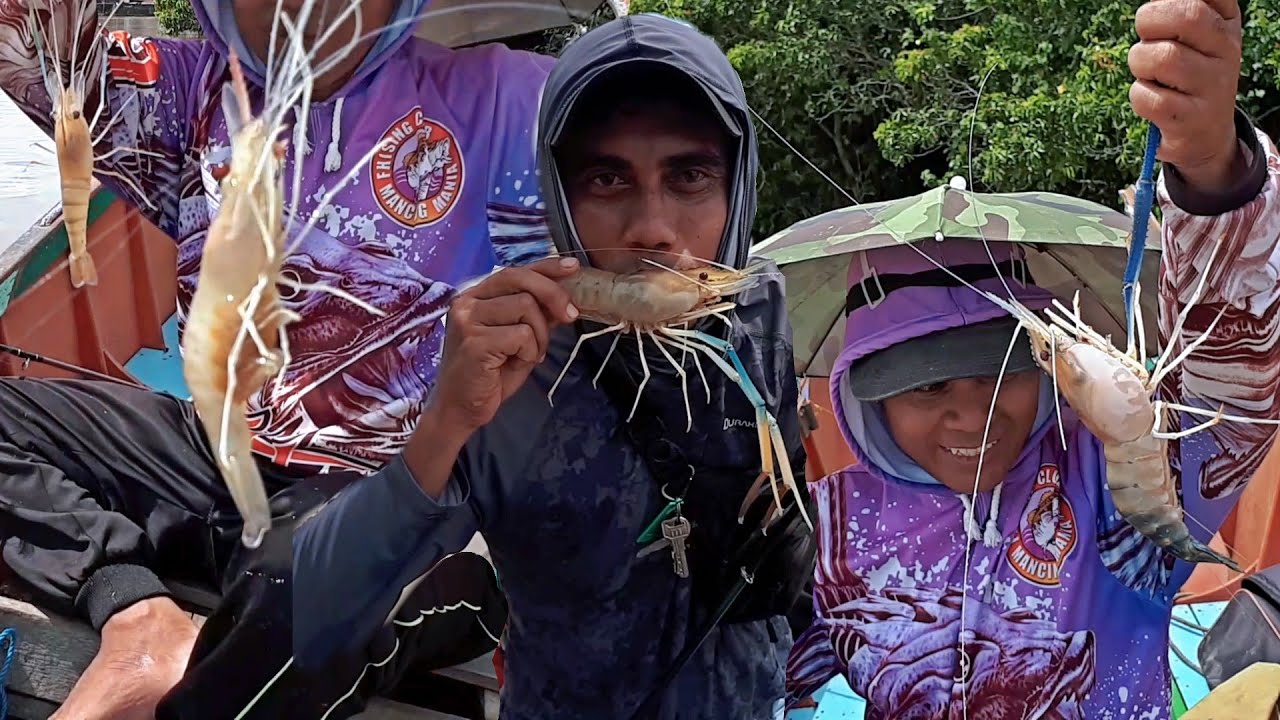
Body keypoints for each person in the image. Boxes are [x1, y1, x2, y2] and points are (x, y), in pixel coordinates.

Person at [0, 1, 553, 718]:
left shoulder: (513, 100)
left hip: (409, 490)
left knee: (309, 588)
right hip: (216, 450)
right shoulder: (191, 89)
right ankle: (138, 612)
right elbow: (27, 38)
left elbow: (660, 199)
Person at [290, 13, 815, 720]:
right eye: (607, 179)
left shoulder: (760, 307)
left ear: (738, 184)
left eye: (690, 176)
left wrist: (792, 544)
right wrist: (445, 422)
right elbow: (318, 603)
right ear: (560, 196)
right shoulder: (503, 357)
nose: (651, 227)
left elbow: (783, 493)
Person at [784, 0, 1280, 717]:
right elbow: (758, 664)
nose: (972, 412)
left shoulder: (1107, 485)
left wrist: (1211, 172)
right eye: (926, 389)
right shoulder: (827, 526)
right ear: (867, 399)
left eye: (1003, 371)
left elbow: (1226, 402)